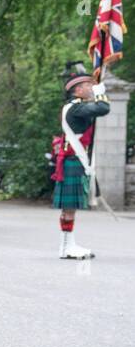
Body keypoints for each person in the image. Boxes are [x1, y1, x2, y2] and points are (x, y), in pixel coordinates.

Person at [53, 65, 109, 259]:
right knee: (69, 209)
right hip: (73, 161)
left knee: (70, 209)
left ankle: (67, 245)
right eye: (88, 85)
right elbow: (103, 108)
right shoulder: (76, 108)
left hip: (73, 161)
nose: (91, 88)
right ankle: (67, 247)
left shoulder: (76, 107)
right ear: (77, 90)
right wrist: (101, 93)